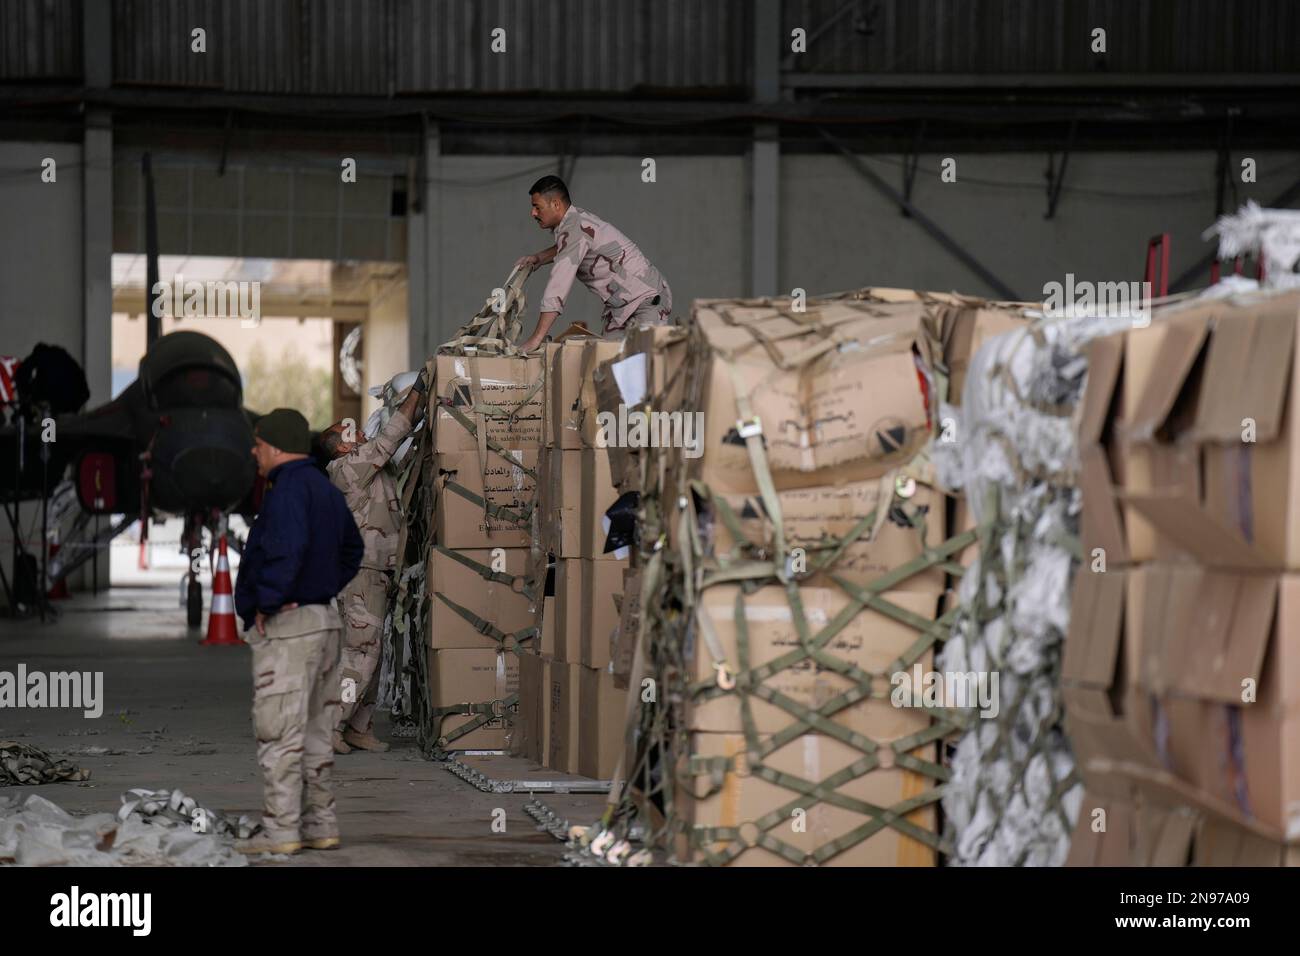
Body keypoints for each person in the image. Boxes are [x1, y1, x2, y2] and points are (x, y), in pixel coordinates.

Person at [234, 408, 363, 856]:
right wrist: (321, 587)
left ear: (273, 446)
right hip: (326, 623)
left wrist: (269, 601)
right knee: (316, 734)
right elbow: (354, 549)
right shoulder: (325, 490)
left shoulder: (286, 490)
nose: (254, 452)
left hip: (290, 631)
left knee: (280, 734)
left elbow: (286, 549)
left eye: (257, 444)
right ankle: (321, 826)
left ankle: (282, 831)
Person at [319, 371, 428, 754]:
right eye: (348, 433)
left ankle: (357, 727)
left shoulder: (366, 470)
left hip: (376, 571)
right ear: (342, 449)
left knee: (372, 652)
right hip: (361, 574)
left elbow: (400, 450)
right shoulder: (348, 471)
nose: (357, 431)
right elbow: (390, 436)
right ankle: (333, 723)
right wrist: (418, 391)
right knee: (360, 652)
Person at [515, 175, 672, 349]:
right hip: (620, 308)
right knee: (608, 363)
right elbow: (566, 246)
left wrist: (536, 338)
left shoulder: (575, 228)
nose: (533, 213)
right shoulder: (574, 221)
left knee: (645, 365)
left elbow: (558, 286)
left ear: (556, 204)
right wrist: (539, 258)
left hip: (646, 299)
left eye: (537, 207)